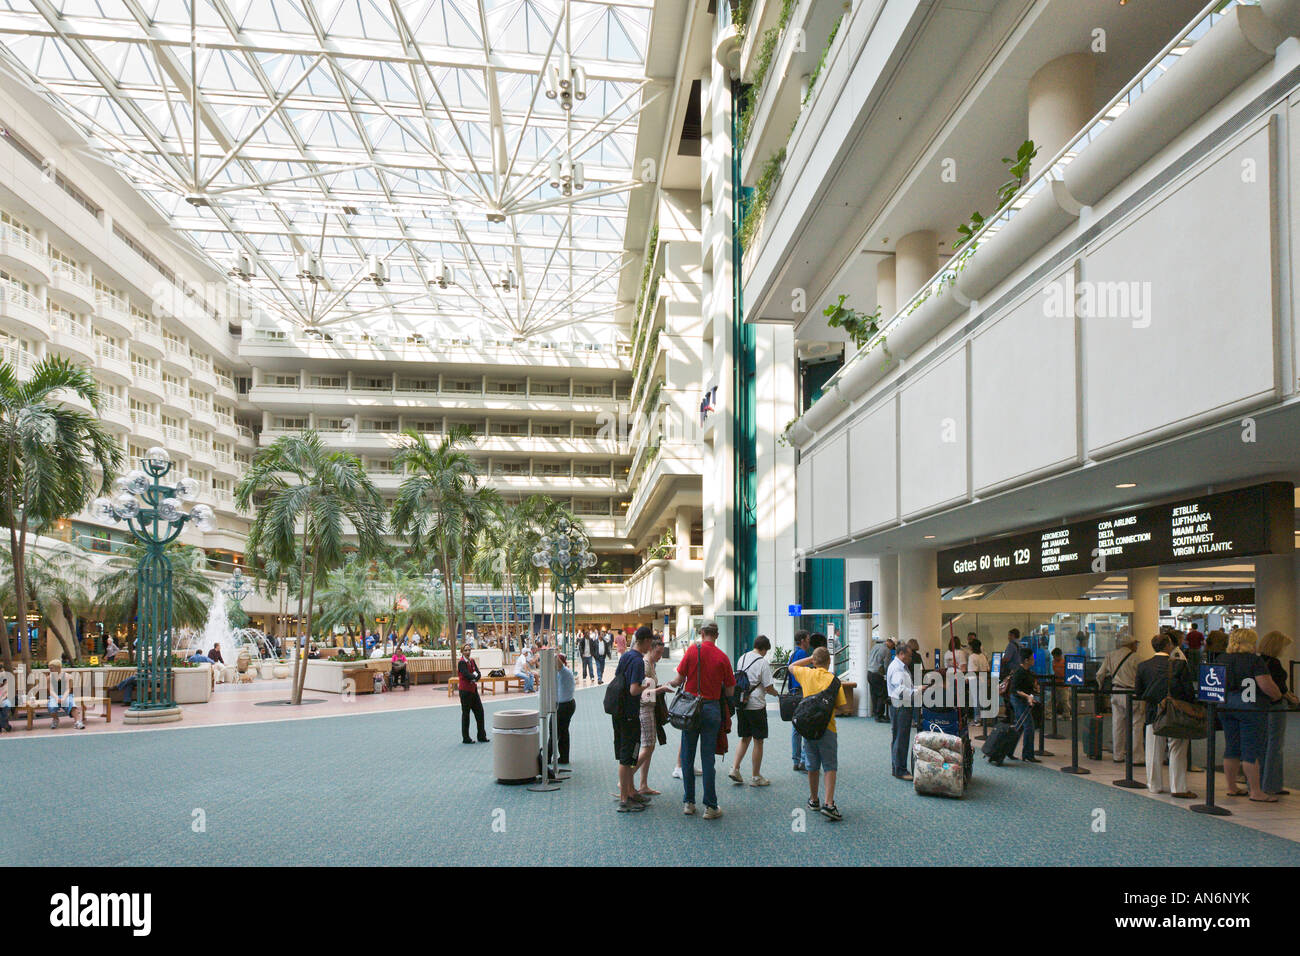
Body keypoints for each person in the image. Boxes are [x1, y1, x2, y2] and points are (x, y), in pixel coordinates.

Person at [666, 621, 735, 819]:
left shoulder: (691, 652)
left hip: (690, 710)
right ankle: (710, 807)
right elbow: (730, 690)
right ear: (717, 635)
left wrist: (667, 684)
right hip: (712, 708)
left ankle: (689, 802)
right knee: (707, 759)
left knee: (687, 756)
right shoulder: (723, 657)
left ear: (702, 633)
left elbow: (678, 680)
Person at [1219, 628, 1283, 802]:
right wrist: (1278, 696)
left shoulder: (1222, 659)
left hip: (1225, 707)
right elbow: (1265, 685)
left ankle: (1232, 787)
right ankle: (1255, 791)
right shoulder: (1254, 661)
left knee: (1231, 747)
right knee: (1251, 750)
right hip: (1251, 709)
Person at [1133, 633, 1197, 798]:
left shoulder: (1143, 666)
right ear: (1168, 646)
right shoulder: (1179, 665)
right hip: (1176, 712)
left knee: (1153, 750)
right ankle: (1178, 787)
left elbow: (1139, 692)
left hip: (1153, 712)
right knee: (1177, 748)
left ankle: (1154, 785)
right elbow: (1188, 692)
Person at [788, 645, 847, 820]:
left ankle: (814, 800)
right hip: (827, 729)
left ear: (814, 662)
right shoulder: (833, 680)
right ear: (829, 662)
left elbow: (791, 666)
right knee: (829, 766)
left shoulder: (807, 674)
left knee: (812, 765)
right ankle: (829, 804)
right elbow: (843, 707)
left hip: (808, 728)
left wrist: (810, 661)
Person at [729, 634, 778, 787]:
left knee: (745, 737)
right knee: (758, 740)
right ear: (763, 648)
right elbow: (768, 687)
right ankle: (756, 777)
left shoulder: (742, 658)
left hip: (742, 703)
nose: (765, 654)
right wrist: (778, 694)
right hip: (756, 705)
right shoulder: (762, 663)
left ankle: (735, 768)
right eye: (766, 651)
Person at [612, 627, 652, 813]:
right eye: (649, 643)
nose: (650, 647)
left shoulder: (626, 656)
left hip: (618, 711)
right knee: (627, 756)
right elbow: (633, 690)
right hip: (629, 713)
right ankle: (624, 798)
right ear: (643, 641)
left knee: (626, 754)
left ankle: (631, 791)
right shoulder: (637, 661)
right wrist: (647, 686)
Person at [1258, 631, 1296, 796]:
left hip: (1260, 707)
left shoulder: (1258, 660)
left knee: (1263, 744)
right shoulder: (1273, 663)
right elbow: (1277, 686)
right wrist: (1287, 696)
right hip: (1274, 707)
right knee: (1274, 746)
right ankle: (1272, 785)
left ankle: (1259, 782)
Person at [1097, 634, 1143, 765]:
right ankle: (1136, 757)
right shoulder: (1137, 658)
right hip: (1132, 693)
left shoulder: (1110, 655)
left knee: (1117, 724)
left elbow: (1100, 674)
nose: (1137, 646)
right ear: (1131, 644)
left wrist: (1101, 687)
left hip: (1116, 691)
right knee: (1136, 724)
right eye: (1136, 644)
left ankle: (1118, 755)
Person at [634, 636, 671, 795]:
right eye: (658, 652)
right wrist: (660, 690)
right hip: (645, 709)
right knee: (648, 747)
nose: (660, 656)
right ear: (651, 648)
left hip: (650, 708)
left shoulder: (651, 664)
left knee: (649, 746)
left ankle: (643, 784)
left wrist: (660, 687)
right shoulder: (644, 665)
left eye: (662, 653)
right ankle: (627, 777)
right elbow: (642, 693)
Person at [886, 643, 918, 780]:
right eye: (909, 655)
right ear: (901, 654)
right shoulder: (897, 668)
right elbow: (900, 691)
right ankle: (900, 770)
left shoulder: (899, 667)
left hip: (899, 706)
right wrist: (917, 691)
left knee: (898, 737)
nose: (911, 658)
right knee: (901, 738)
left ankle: (897, 768)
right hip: (901, 706)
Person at [1007, 652, 1040, 763]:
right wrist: (1027, 697)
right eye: (1032, 658)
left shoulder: (1027, 672)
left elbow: (1027, 688)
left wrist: (1032, 693)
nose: (1033, 660)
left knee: (1019, 726)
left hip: (1022, 700)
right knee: (1029, 726)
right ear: (1026, 660)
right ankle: (1027, 754)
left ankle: (1009, 750)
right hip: (1018, 700)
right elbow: (1015, 689)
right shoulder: (1019, 672)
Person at [788, 630, 811, 771]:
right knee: (806, 726)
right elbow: (807, 675)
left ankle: (796, 760)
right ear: (802, 640)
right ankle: (803, 760)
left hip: (794, 693)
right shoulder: (802, 654)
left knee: (796, 728)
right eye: (808, 640)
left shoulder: (793, 654)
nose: (809, 642)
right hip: (802, 692)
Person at [457, 643, 488, 744]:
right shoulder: (461, 662)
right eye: (465, 650)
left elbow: (478, 673)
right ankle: (466, 738)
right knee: (466, 714)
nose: (468, 652)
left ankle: (481, 736)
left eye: (469, 650)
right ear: (462, 651)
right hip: (465, 691)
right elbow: (466, 675)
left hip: (473, 690)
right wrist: (474, 677)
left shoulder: (472, 661)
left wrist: (476, 677)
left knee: (480, 712)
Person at [45, 659, 84, 730]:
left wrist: (63, 698)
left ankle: (78, 722)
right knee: (51, 706)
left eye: (51, 668)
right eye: (49, 668)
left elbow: (68, 689)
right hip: (54, 696)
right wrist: (57, 698)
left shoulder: (67, 676)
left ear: (58, 668)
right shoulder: (49, 678)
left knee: (71, 704)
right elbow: (51, 690)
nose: (50, 670)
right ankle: (55, 719)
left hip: (66, 695)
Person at [866, 638, 894, 723]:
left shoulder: (876, 646)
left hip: (869, 673)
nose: (892, 648)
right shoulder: (887, 651)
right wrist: (888, 676)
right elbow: (886, 665)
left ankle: (875, 713)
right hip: (877, 674)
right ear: (890, 643)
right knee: (882, 695)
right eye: (893, 646)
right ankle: (879, 715)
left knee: (874, 694)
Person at [555, 653, 576, 765]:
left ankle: (547, 756)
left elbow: (558, 663)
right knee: (563, 732)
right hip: (566, 704)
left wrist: (550, 654)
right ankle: (564, 757)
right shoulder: (561, 673)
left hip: (564, 706)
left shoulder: (564, 672)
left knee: (554, 731)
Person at [966, 637, 990, 717]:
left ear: (972, 647)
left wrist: (967, 678)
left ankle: (977, 719)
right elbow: (987, 668)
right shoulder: (982, 656)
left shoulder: (972, 657)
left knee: (976, 700)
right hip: (984, 680)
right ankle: (983, 719)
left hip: (975, 681)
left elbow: (973, 671)